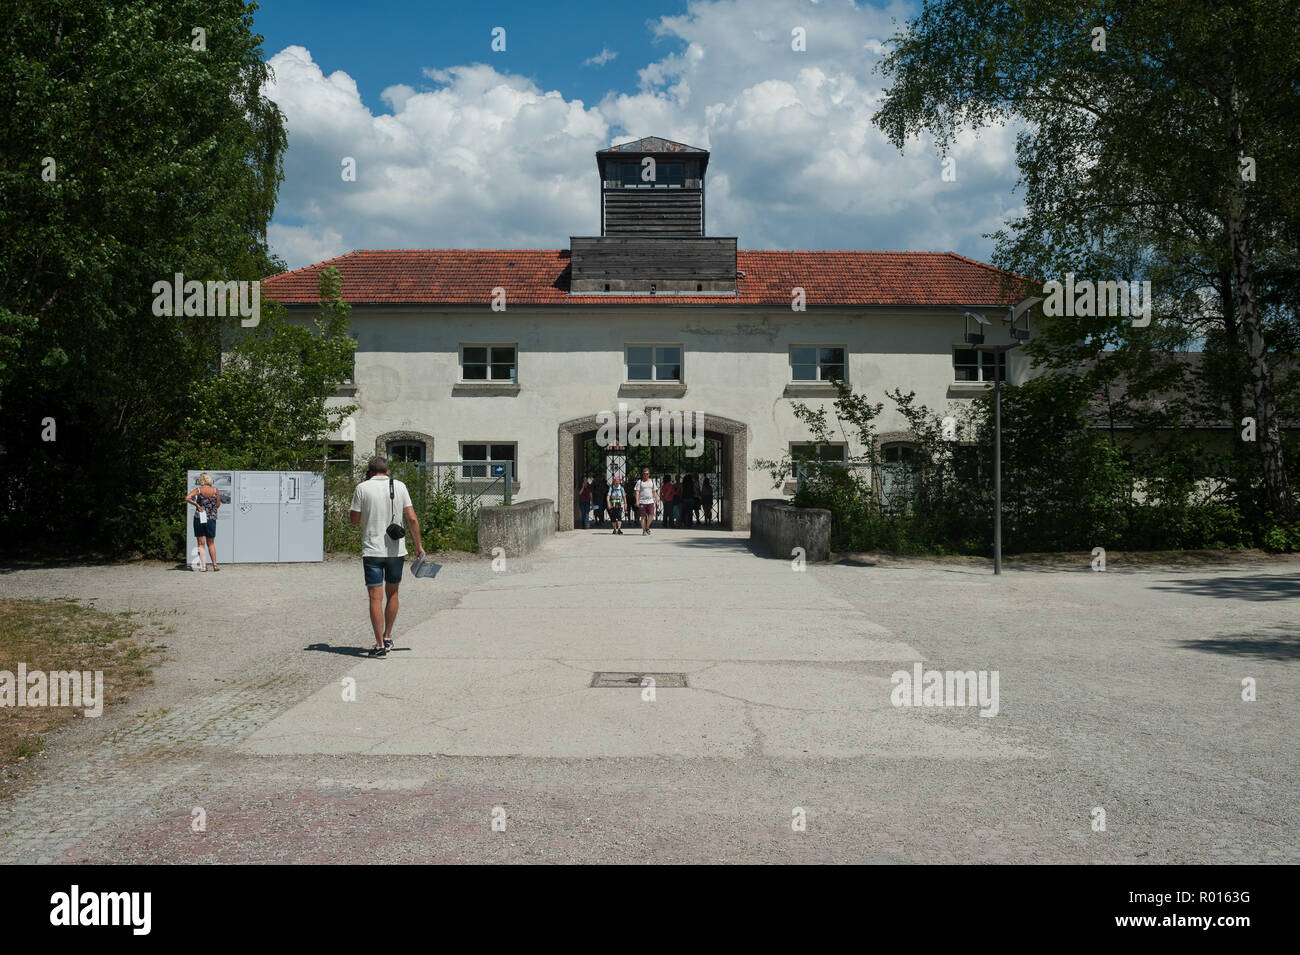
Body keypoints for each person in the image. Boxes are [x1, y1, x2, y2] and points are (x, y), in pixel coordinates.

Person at [350, 455, 424, 657]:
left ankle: (379, 644)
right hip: (395, 550)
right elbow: (412, 518)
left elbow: (354, 520)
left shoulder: (362, 488)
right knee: (393, 593)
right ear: (388, 471)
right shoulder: (400, 486)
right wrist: (418, 546)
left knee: (375, 597)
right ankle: (388, 635)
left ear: (370, 472)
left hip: (372, 550)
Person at [184, 473, 221, 572]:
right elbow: (218, 504)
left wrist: (197, 505)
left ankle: (204, 566)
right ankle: (215, 565)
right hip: (211, 518)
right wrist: (212, 509)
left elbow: (187, 498)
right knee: (211, 543)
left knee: (201, 543)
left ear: (201, 480)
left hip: (199, 517)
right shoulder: (215, 490)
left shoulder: (198, 490)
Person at [633, 467, 659, 536]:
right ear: (642, 474)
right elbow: (637, 492)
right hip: (642, 501)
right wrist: (637, 501)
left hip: (650, 500)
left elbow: (654, 492)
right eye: (644, 474)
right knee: (643, 516)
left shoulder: (652, 482)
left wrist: (657, 500)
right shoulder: (640, 482)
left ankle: (647, 527)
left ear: (649, 474)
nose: (645, 475)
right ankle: (644, 530)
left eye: (647, 474)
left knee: (651, 514)